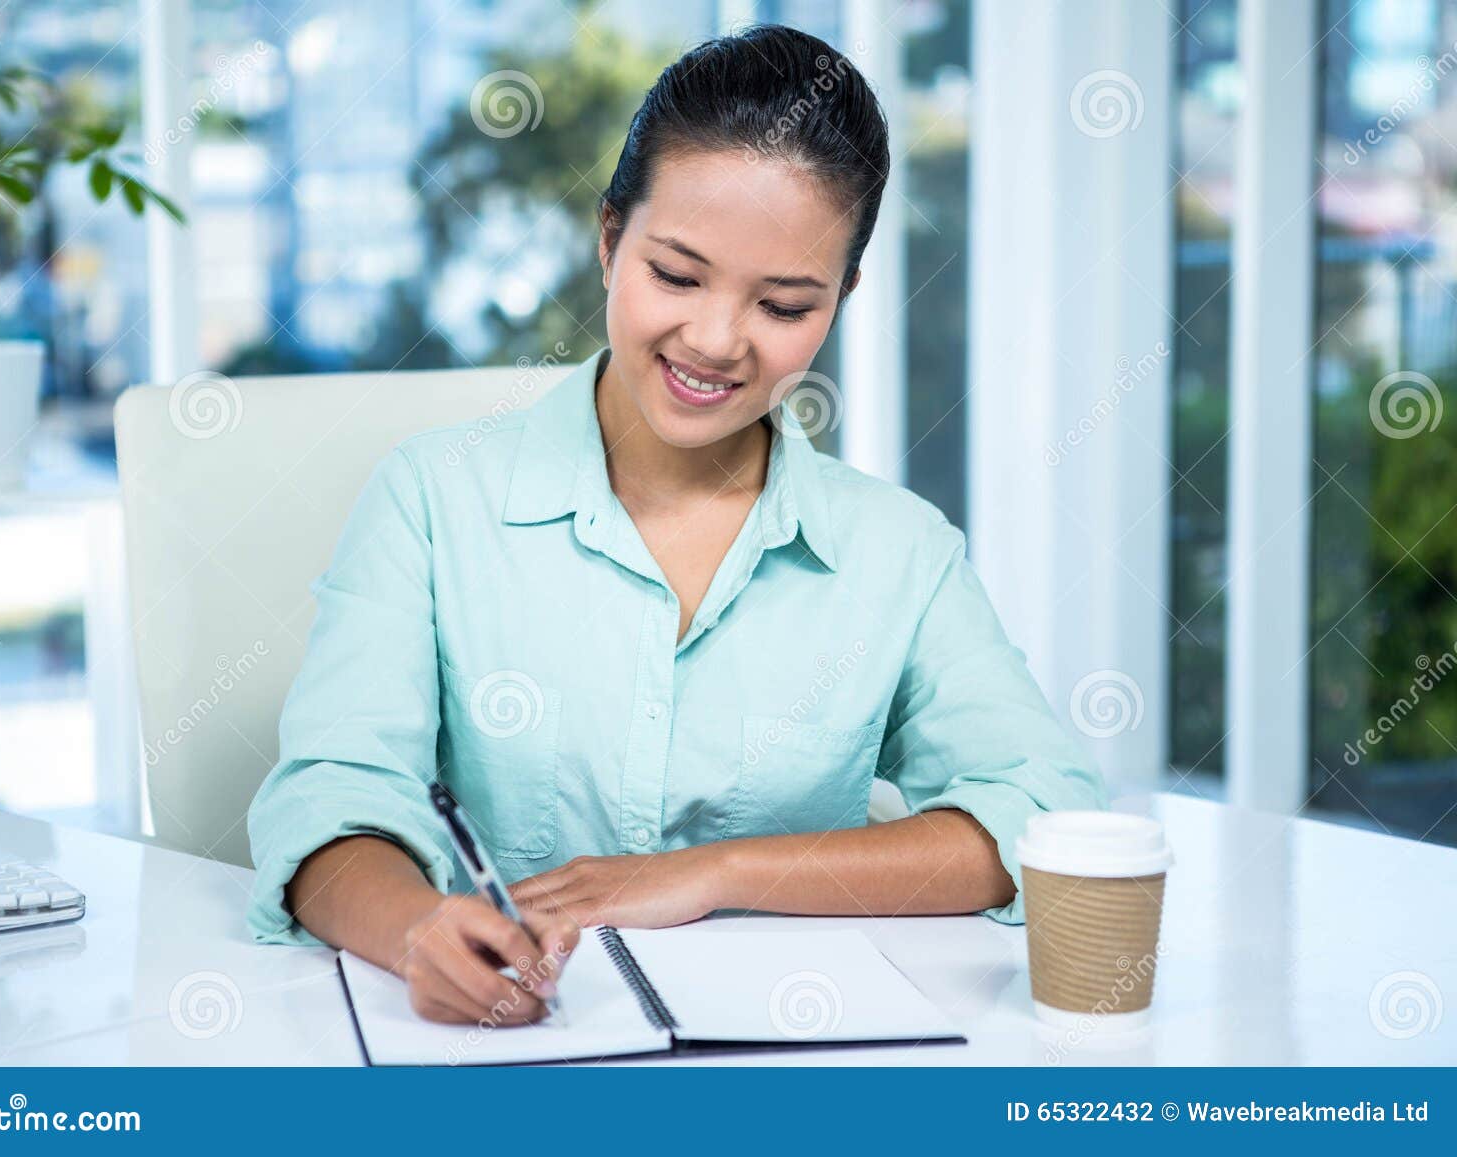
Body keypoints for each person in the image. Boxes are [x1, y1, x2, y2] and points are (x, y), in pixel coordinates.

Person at [246, 24, 1106, 1028]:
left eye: (783, 303)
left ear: (841, 299)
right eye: (678, 275)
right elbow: (330, 801)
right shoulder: (432, 502)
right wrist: (415, 931)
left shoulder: (898, 552)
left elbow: (1043, 813)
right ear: (610, 239)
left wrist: (712, 871)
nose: (714, 339)